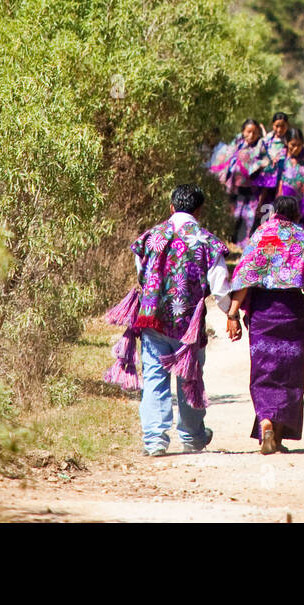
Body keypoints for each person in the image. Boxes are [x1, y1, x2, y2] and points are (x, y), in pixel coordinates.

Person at [103, 184, 232, 457]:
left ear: (171, 208)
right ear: (199, 210)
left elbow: (142, 272)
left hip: (153, 318)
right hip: (189, 325)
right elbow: (220, 286)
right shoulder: (206, 240)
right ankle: (192, 436)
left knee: (153, 377)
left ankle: (155, 440)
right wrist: (231, 313)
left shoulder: (152, 237)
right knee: (190, 377)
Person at [225, 195, 304, 454]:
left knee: (263, 372)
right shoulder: (303, 238)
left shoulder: (262, 235)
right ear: (297, 216)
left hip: (263, 314)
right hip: (291, 313)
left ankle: (266, 423)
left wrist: (232, 314)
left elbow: (245, 276)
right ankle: (279, 434)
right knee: (289, 375)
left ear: (273, 213)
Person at [211, 118, 268, 247]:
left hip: (252, 191)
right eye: (248, 132)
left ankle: (244, 248)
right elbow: (225, 159)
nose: (251, 135)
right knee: (233, 218)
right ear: (243, 131)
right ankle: (231, 245)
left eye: (255, 132)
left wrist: (259, 164)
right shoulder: (236, 144)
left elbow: (266, 166)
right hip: (233, 189)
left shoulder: (261, 147)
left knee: (249, 218)